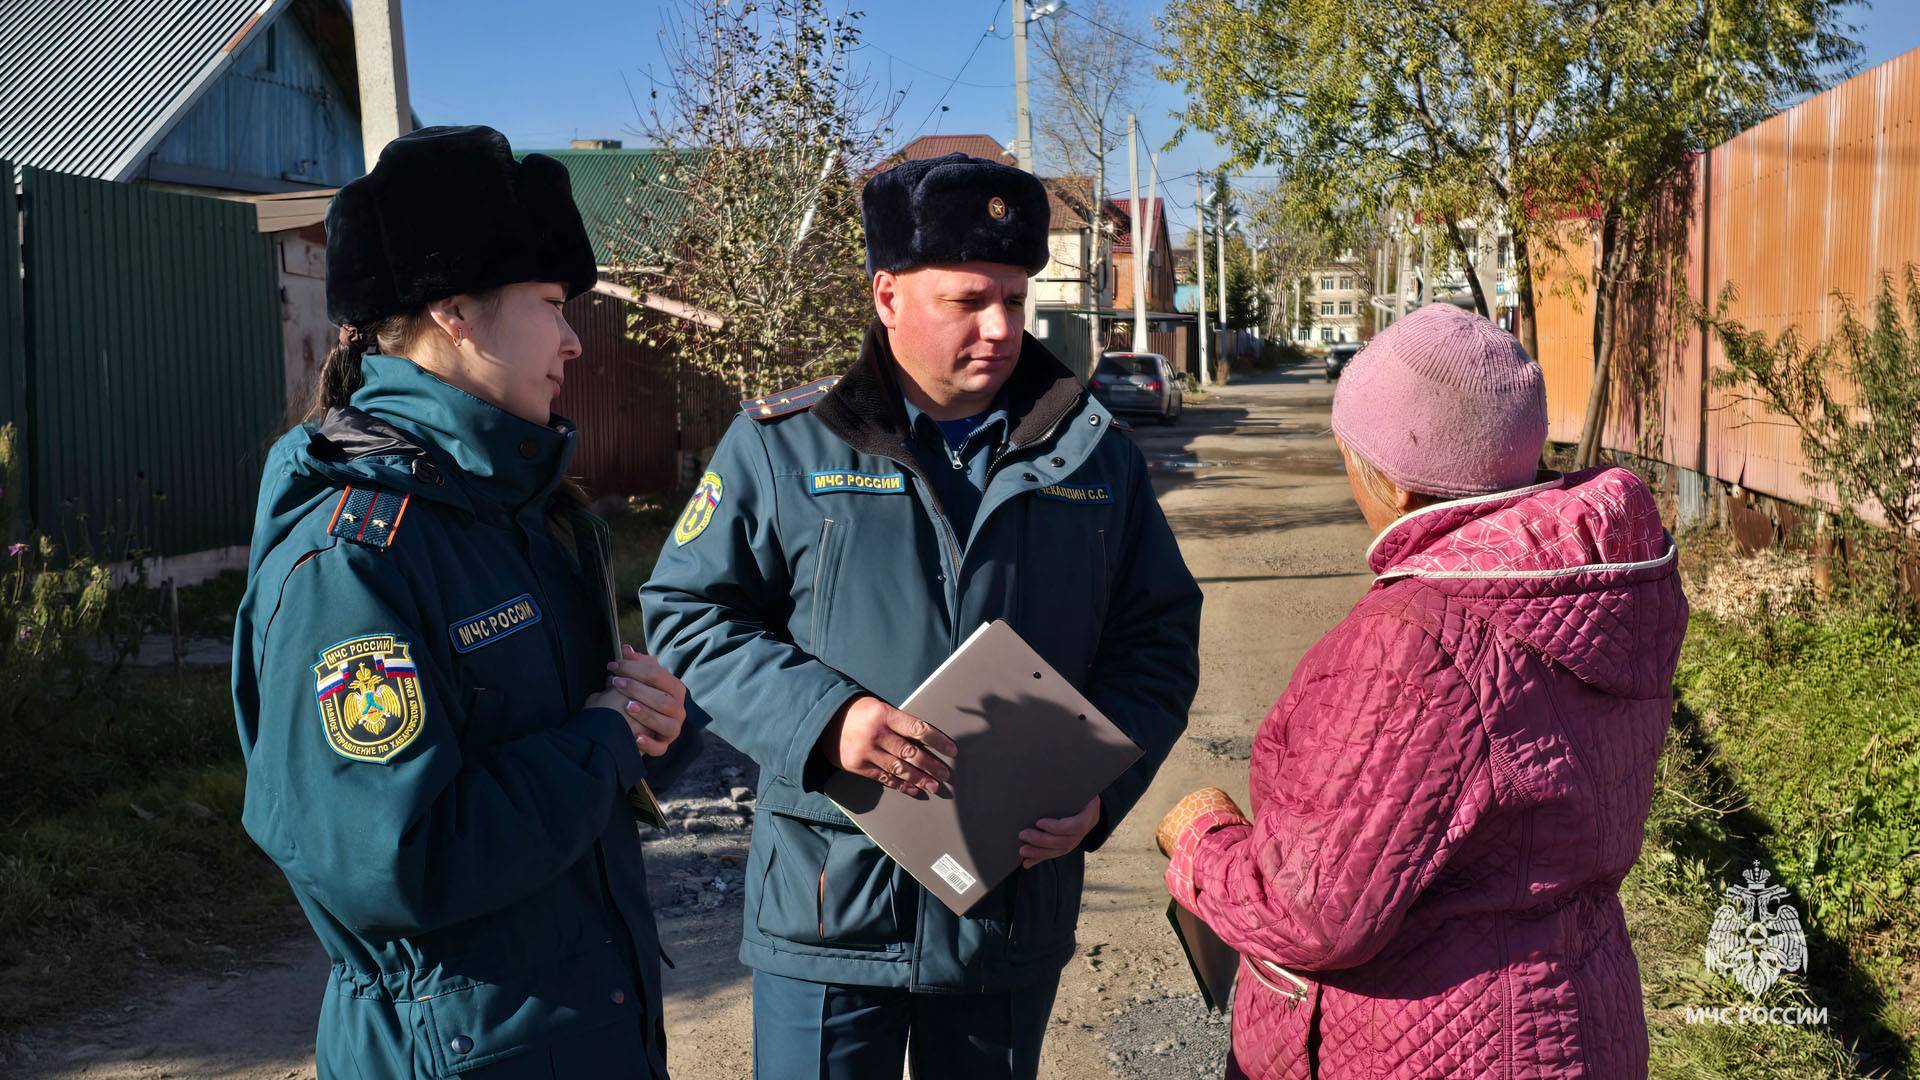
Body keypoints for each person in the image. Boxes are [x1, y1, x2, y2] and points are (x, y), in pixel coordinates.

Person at [641, 152, 1203, 1080]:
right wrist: (826, 719)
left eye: (1016, 301)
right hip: (829, 904)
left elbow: (1158, 642)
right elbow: (690, 612)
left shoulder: (1092, 457)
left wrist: (1103, 791)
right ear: (888, 293)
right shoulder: (785, 446)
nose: (1001, 329)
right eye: (969, 301)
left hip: (1006, 907)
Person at [231, 126, 697, 1079]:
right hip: (457, 1054)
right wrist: (603, 742)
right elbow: (398, 859)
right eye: (553, 305)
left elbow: (567, 756)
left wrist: (648, 727)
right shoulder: (353, 562)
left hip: (576, 1033)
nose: (573, 339)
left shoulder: (530, 514)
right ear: (455, 313)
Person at [1158, 304, 1687, 1079]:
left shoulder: (1419, 641)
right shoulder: (1594, 586)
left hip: (1430, 1043)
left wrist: (1202, 843)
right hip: (1576, 1019)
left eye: (1351, 454)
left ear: (1396, 481)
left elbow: (1313, 909)